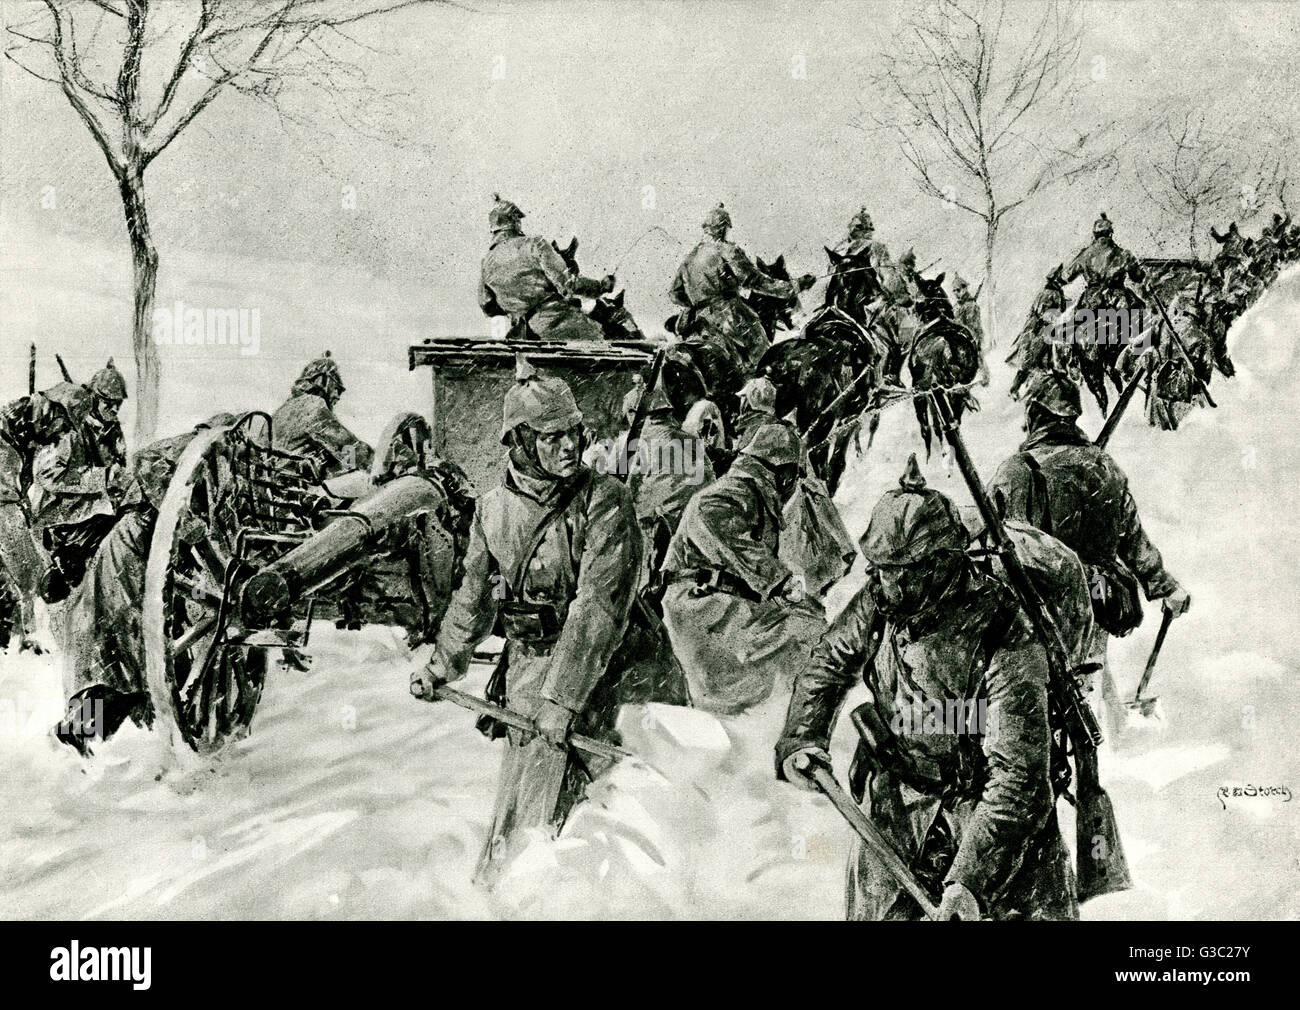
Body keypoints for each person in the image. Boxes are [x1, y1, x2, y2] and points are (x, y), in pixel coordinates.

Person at [776, 455, 1081, 920]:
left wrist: (968, 883)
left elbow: (1018, 777)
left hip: (992, 821)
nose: (878, 580)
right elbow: (829, 661)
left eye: (897, 568)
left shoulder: (1005, 631)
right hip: (900, 805)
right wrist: (803, 735)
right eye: (876, 566)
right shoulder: (885, 597)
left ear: (941, 565)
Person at [409, 362, 642, 886]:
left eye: (574, 434)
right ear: (519, 440)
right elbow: (472, 599)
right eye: (551, 436)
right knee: (524, 801)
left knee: (593, 808)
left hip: (600, 672)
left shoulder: (605, 500)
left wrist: (561, 701)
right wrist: (442, 666)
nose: (569, 448)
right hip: (527, 672)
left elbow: (597, 607)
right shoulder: (492, 509)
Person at [989, 372, 1190, 733]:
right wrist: (1165, 586)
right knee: (1085, 688)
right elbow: (1132, 539)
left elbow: (990, 538)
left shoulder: (1016, 472)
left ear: (1035, 415)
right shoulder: (1106, 467)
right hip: (1099, 604)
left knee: (1033, 705)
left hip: (1039, 612)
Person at [54, 413, 237, 755]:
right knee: (118, 649)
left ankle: (96, 735)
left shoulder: (221, 468)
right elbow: (145, 463)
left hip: (154, 557)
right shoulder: (181, 448)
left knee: (141, 655)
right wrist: (185, 520)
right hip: (131, 551)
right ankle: (77, 732)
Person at [659, 423, 826, 713]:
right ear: (781, 470)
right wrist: (782, 583)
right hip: (702, 608)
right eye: (794, 474)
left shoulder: (748, 493)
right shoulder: (722, 497)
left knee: (808, 629)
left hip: (721, 607)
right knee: (807, 634)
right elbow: (742, 548)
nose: (794, 483)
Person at [670, 203, 813, 375]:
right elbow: (757, 281)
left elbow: (675, 294)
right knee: (764, 361)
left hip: (698, 323)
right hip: (730, 317)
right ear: (722, 229)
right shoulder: (727, 250)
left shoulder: (688, 259)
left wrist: (698, 301)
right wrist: (797, 285)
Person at [0, 382, 84, 646]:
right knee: (29, 577)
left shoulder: (22, 433)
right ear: (52, 412)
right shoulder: (5, 438)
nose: (61, 436)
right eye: (63, 425)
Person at [30, 383, 122, 604]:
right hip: (59, 523)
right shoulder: (65, 434)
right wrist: (102, 478)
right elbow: (50, 475)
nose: (114, 409)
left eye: (117, 404)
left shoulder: (105, 432)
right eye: (108, 403)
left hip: (81, 517)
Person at [479, 195, 615, 342]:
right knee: (611, 336)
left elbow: (487, 305)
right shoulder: (536, 244)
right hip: (559, 324)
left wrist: (517, 306)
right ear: (514, 221)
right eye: (518, 219)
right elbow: (568, 284)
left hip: (522, 335)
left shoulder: (486, 262)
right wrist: (600, 286)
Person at [271, 352, 374, 480]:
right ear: (323, 381)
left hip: (278, 479)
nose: (337, 395)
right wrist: (377, 464)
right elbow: (345, 444)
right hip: (296, 485)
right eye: (336, 388)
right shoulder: (312, 404)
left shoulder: (281, 411)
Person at [1008, 264, 1069, 399]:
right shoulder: (1055, 294)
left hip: (1032, 327)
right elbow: (1056, 313)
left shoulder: (1042, 292)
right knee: (1052, 357)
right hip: (1044, 328)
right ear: (1056, 280)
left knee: (1026, 362)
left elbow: (1033, 311)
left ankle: (1015, 388)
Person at [951, 274, 990, 383]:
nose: (955, 293)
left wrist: (973, 338)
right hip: (960, 335)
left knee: (977, 355)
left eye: (958, 290)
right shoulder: (957, 306)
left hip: (972, 335)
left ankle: (985, 377)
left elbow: (972, 325)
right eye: (954, 291)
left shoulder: (971, 305)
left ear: (964, 289)